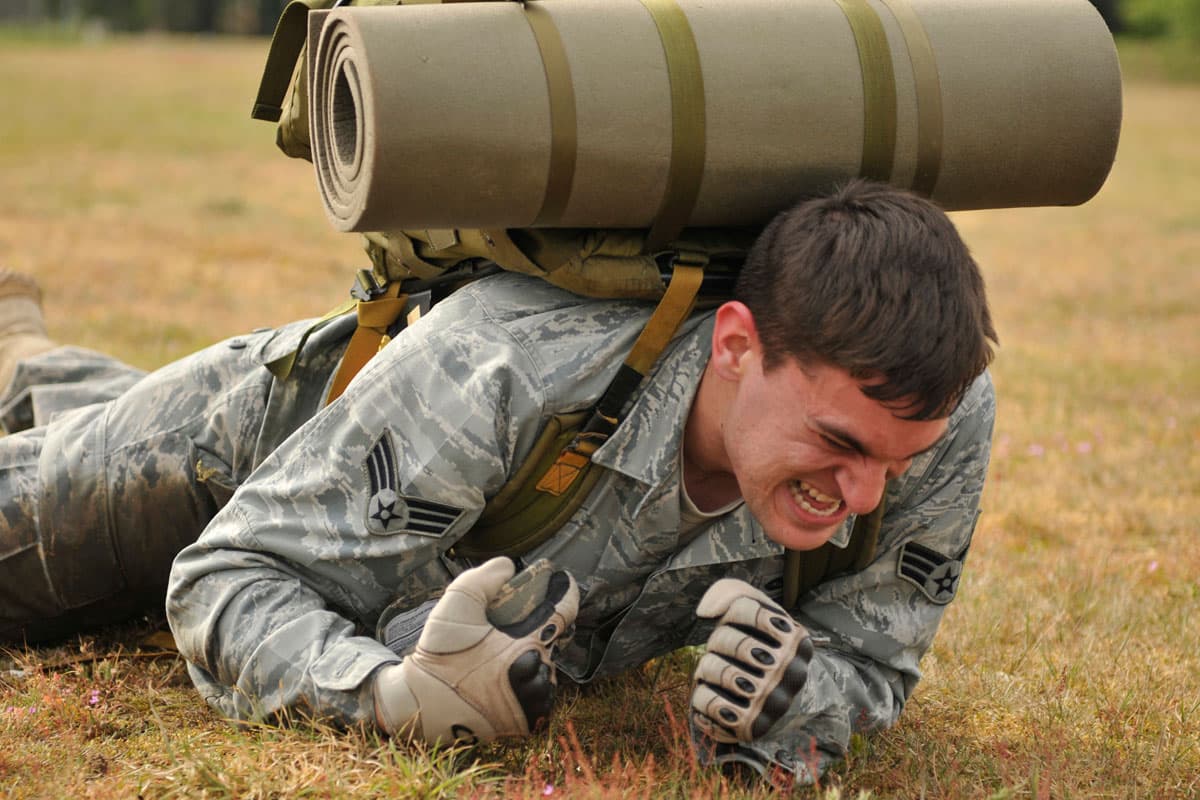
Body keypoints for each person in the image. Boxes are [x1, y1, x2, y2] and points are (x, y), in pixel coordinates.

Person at [0, 180, 997, 782]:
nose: (865, 495)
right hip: (257, 442)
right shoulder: (507, 367)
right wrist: (389, 695)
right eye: (837, 445)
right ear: (737, 344)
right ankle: (30, 367)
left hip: (394, 473)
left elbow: (874, 657)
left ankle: (35, 360)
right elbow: (229, 572)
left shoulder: (932, 416)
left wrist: (796, 701)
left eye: (892, 464)